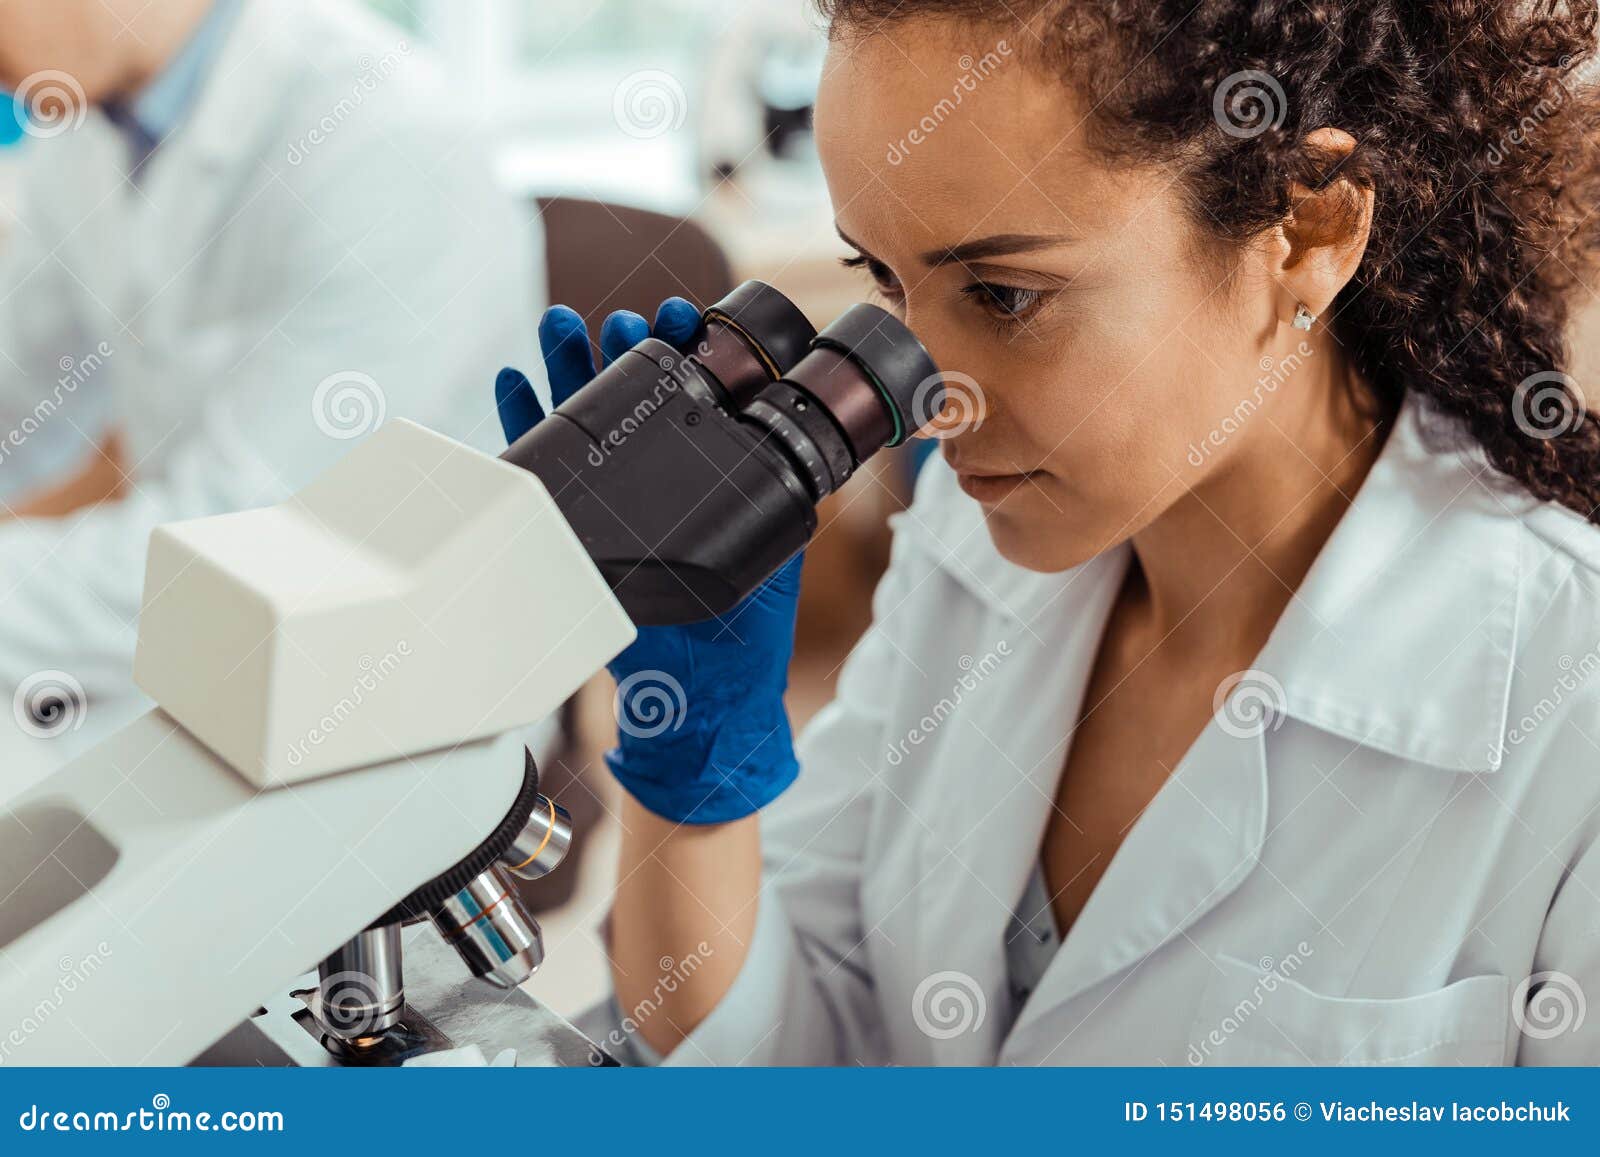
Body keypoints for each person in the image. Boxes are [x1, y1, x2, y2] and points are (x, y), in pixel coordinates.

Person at [500, 0, 1600, 1065]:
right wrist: (693, 776)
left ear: (1309, 226)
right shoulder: (971, 540)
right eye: (881, 278)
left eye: (1005, 294)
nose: (927, 398)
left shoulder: (1569, 700)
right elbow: (796, 1054)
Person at [0, 0, 540, 724]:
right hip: (182, 645)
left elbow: (244, 556)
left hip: (386, 698)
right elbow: (17, 386)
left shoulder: (386, 140)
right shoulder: (90, 125)